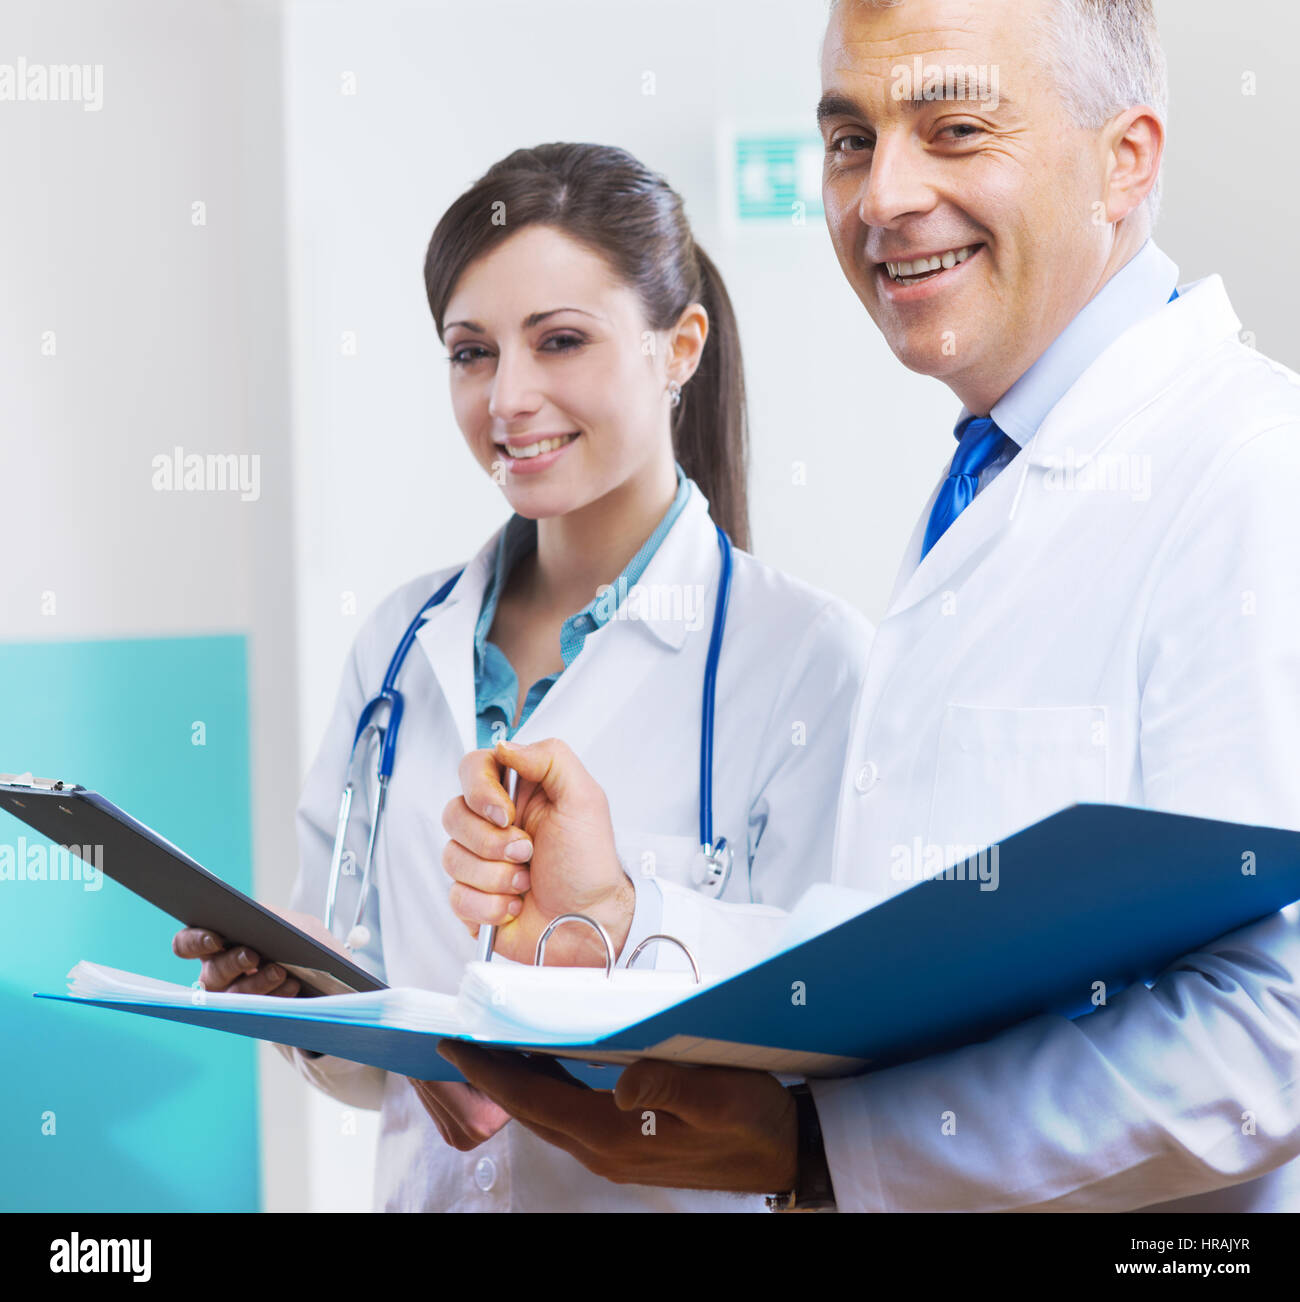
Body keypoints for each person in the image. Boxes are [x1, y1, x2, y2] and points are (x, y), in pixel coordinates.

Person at [438, 0, 1300, 1212]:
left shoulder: (1250, 476)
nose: (881, 195)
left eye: (951, 128)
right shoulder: (985, 479)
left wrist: (830, 1153)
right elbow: (908, 954)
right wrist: (618, 914)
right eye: (850, 138)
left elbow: (1274, 1036)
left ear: (1127, 159)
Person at [172, 141, 872, 1212]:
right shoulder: (401, 643)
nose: (509, 397)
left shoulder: (809, 658)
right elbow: (371, 1061)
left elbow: (829, 1035)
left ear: (678, 347)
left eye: (559, 342)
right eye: (472, 352)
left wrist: (622, 930)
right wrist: (304, 994)